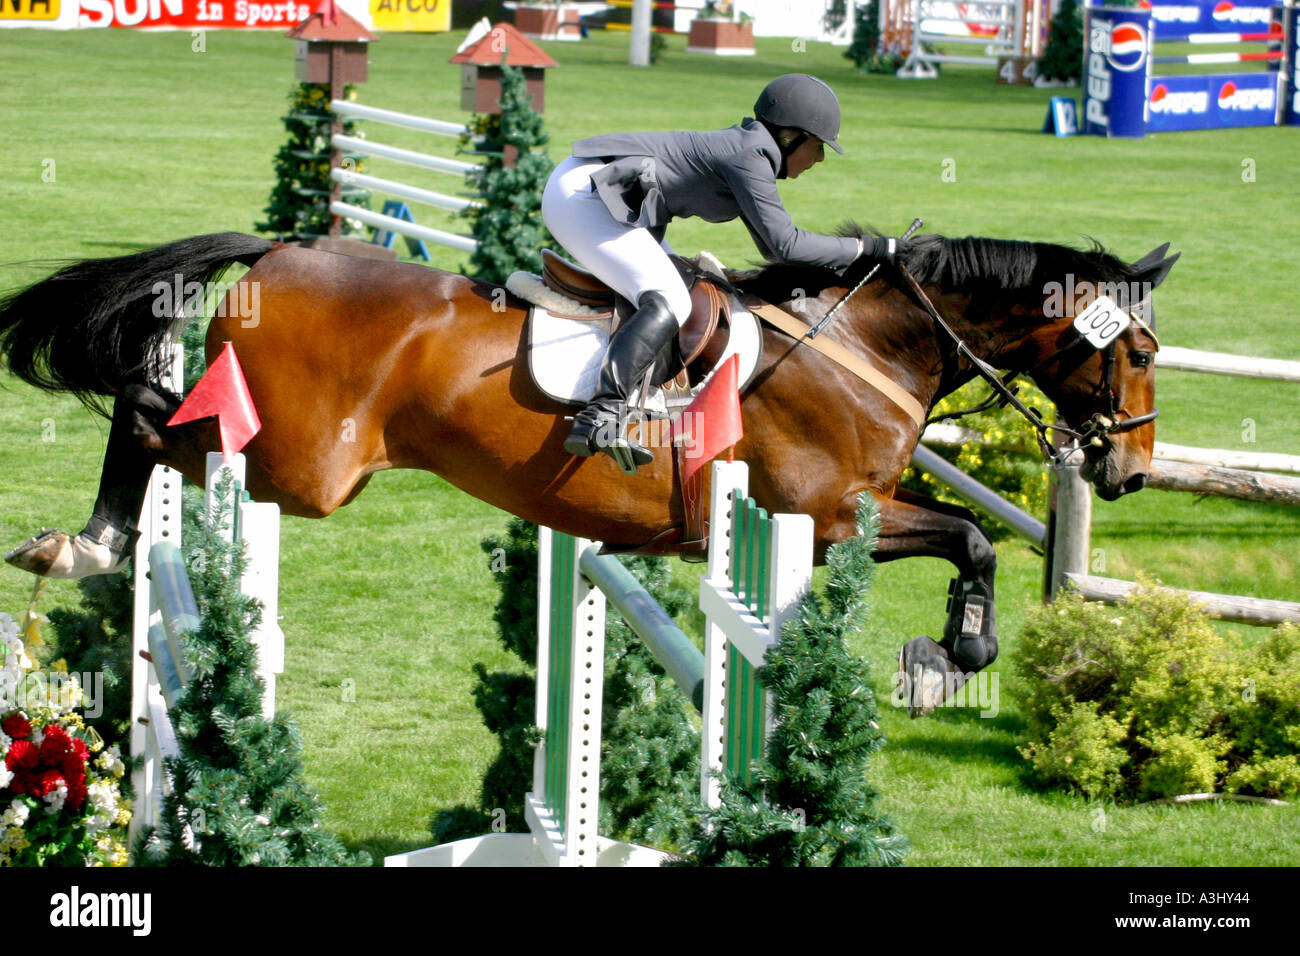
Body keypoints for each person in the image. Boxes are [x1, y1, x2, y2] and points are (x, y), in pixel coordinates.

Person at [540, 73, 911, 472]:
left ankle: (642, 401)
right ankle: (601, 415)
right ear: (791, 137)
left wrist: (857, 260)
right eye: (818, 146)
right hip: (583, 195)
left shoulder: (752, 152)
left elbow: (775, 248)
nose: (819, 158)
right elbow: (786, 244)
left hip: (603, 197)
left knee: (685, 285)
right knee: (670, 298)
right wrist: (869, 247)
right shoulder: (748, 156)